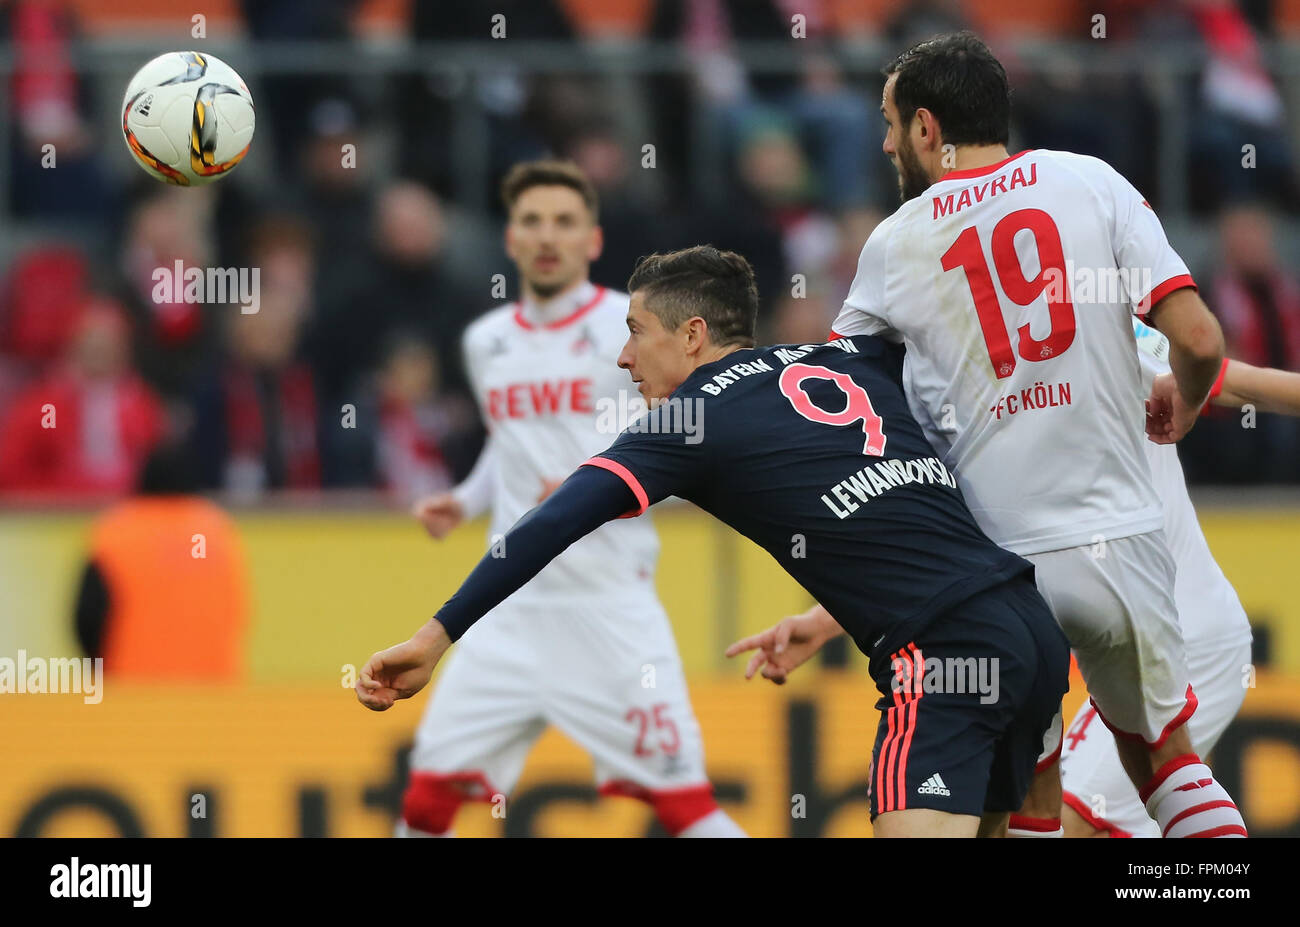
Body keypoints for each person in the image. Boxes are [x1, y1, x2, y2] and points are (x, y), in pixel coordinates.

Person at [357, 245, 1071, 839]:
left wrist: (436, 634)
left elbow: (548, 525)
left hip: (940, 652)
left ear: (692, 334)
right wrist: (824, 621)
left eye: (637, 331)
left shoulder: (694, 416)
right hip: (1029, 625)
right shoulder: (850, 362)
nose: (623, 357)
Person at [825, 32, 1245, 837]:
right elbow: (1199, 341)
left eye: (888, 123)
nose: (883, 143)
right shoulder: (1092, 182)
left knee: (1031, 796)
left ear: (924, 128)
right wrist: (1185, 401)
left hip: (1005, 572)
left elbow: (848, 404)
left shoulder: (896, 244)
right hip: (1123, 544)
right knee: (1168, 766)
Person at [395, 164, 744, 838]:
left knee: (685, 806)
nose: (547, 235)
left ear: (592, 239)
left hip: (608, 609)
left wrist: (598, 491)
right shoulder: (485, 341)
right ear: (511, 238)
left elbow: (688, 446)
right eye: (532, 221)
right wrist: (466, 499)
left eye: (564, 222)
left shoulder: (634, 325)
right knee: (426, 801)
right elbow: (511, 440)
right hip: (510, 610)